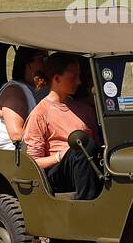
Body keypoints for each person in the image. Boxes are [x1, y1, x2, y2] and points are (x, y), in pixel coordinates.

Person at [22, 53, 103, 200]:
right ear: (57, 78)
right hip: (58, 173)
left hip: (88, 166)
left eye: (79, 75)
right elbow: (32, 163)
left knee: (90, 148)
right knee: (82, 148)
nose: (78, 81)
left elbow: (97, 145)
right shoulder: (40, 114)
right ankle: (86, 205)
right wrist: (59, 156)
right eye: (73, 76)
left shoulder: (85, 110)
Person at [0, 47, 48, 150]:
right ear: (28, 64)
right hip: (18, 159)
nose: (47, 63)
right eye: (43, 58)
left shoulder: (44, 88)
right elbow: (16, 135)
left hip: (40, 152)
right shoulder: (14, 92)